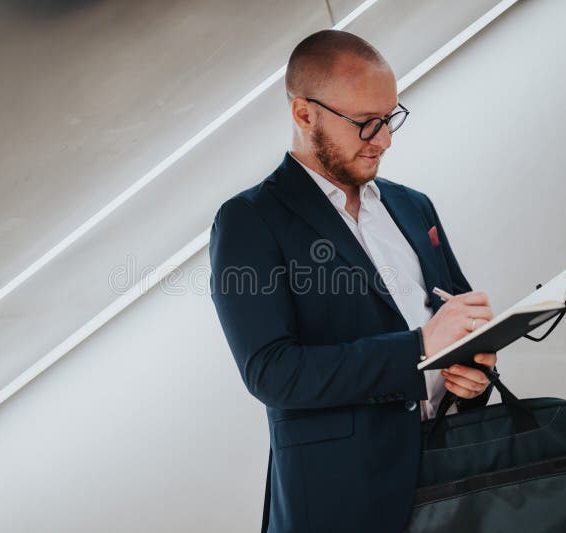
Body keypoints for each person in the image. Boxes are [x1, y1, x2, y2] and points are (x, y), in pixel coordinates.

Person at [209, 29, 497, 533]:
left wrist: (473, 376)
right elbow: (272, 372)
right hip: (339, 504)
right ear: (304, 114)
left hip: (452, 485)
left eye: (389, 118)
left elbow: (457, 323)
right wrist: (418, 348)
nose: (383, 140)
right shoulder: (249, 221)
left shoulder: (414, 205)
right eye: (366, 123)